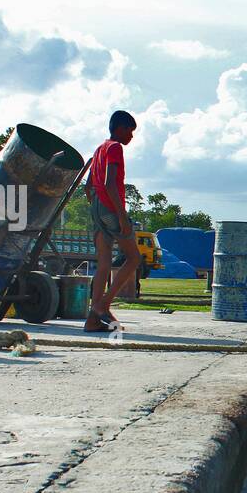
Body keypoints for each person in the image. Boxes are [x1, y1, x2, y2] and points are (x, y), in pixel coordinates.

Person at [84, 110, 142, 332]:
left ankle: (92, 321)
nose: (131, 137)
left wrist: (96, 207)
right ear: (120, 128)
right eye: (130, 131)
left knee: (104, 263)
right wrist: (120, 216)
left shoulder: (99, 149)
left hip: (97, 207)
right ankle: (102, 306)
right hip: (109, 206)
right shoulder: (115, 148)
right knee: (134, 258)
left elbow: (88, 186)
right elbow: (110, 183)